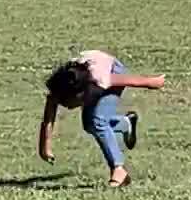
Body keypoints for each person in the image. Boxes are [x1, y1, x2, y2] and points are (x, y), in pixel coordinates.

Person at [38, 49, 165, 187]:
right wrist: (45, 147)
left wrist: (153, 82)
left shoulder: (100, 80)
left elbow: (129, 80)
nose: (67, 107)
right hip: (89, 74)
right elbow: (48, 119)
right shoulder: (60, 86)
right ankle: (125, 123)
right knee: (89, 124)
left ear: (81, 95)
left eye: (68, 103)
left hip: (114, 70)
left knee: (97, 121)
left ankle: (119, 170)